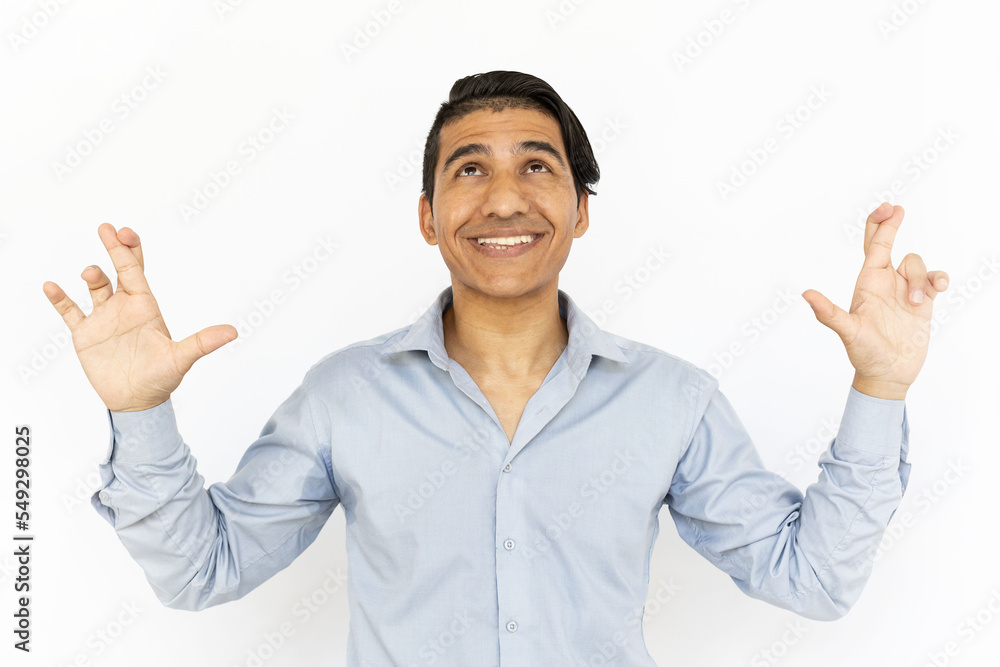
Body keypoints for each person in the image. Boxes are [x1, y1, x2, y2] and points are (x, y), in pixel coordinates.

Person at [42, 71, 949, 665]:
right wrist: (140, 411)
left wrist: (881, 388)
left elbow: (815, 580)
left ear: (581, 208)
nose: (505, 197)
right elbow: (204, 571)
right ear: (429, 216)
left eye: (537, 167)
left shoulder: (672, 400)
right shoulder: (344, 395)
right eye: (469, 169)